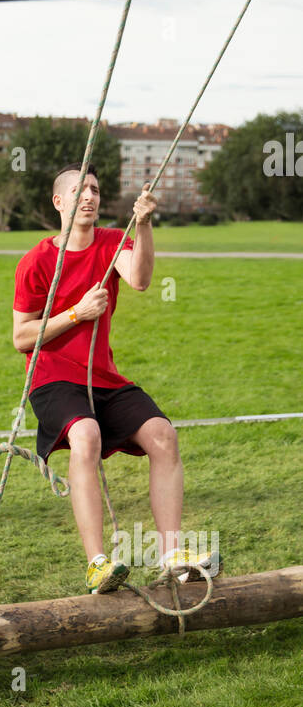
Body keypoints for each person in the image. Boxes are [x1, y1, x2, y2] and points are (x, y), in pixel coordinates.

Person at [13, 165, 220, 595]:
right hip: (52, 379)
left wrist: (142, 225)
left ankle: (171, 557)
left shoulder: (111, 242)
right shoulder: (36, 261)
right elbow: (21, 337)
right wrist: (76, 313)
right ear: (58, 202)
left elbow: (141, 279)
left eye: (94, 189)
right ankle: (97, 564)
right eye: (78, 190)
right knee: (85, 435)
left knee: (163, 435)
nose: (88, 196)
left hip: (102, 376)